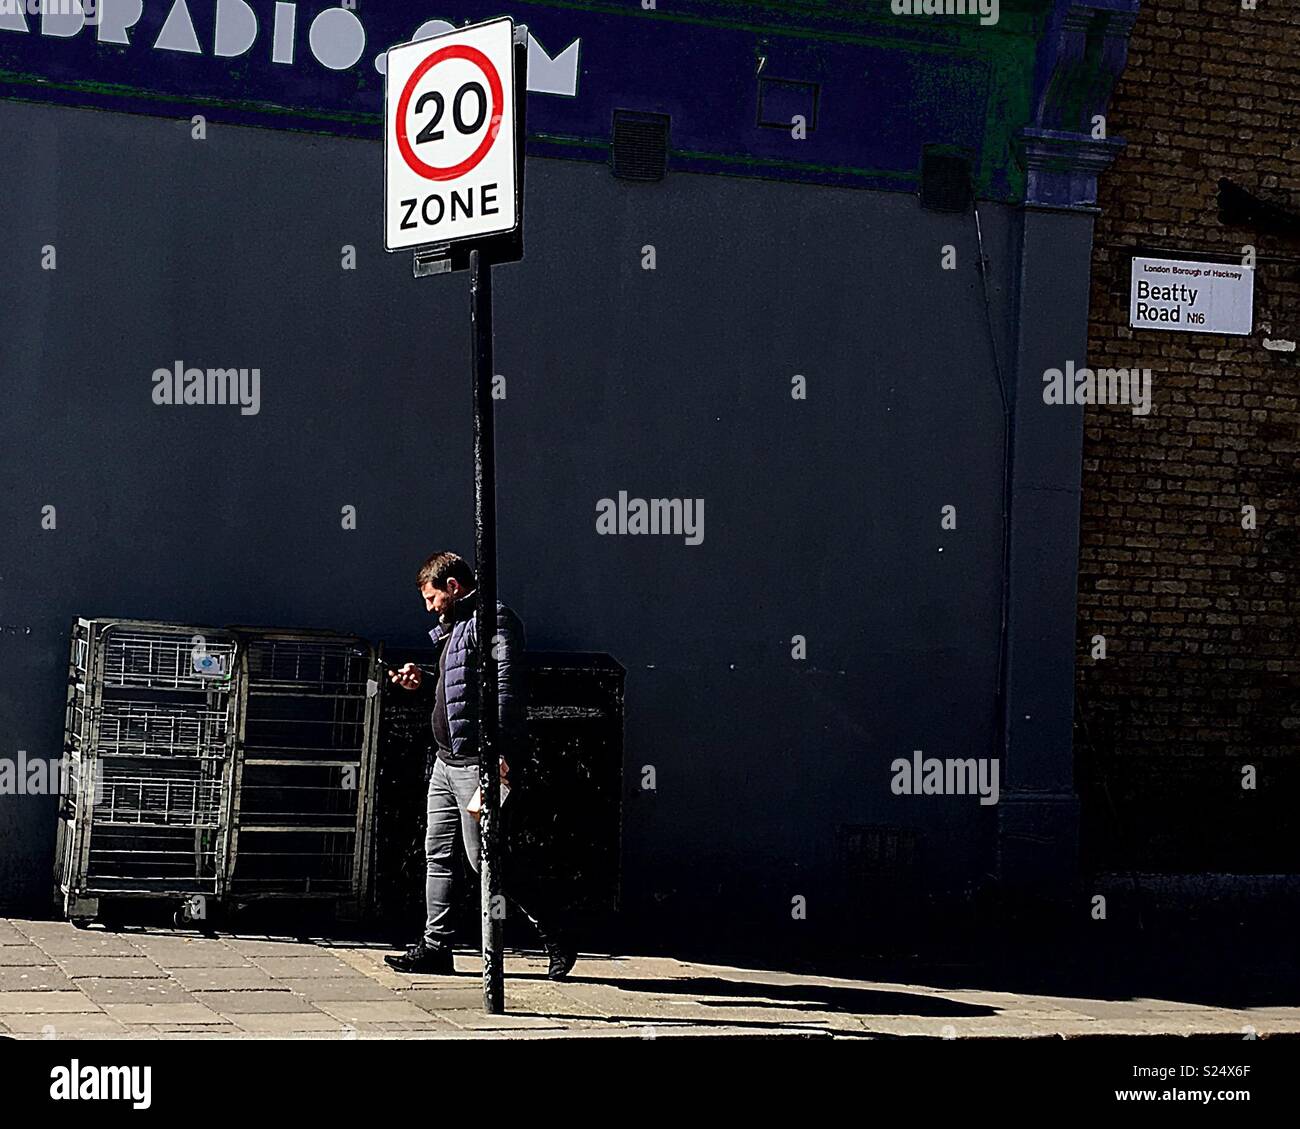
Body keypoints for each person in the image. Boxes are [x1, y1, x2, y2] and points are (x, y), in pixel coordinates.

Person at [384, 550, 576, 979]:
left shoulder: (495, 621)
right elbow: (464, 690)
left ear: (453, 587)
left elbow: (508, 687)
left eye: (433, 598)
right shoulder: (455, 630)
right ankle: (436, 946)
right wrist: (423, 681)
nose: (430, 608)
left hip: (478, 763)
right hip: (446, 763)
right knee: (439, 856)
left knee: (486, 859)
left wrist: (501, 755)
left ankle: (556, 932)